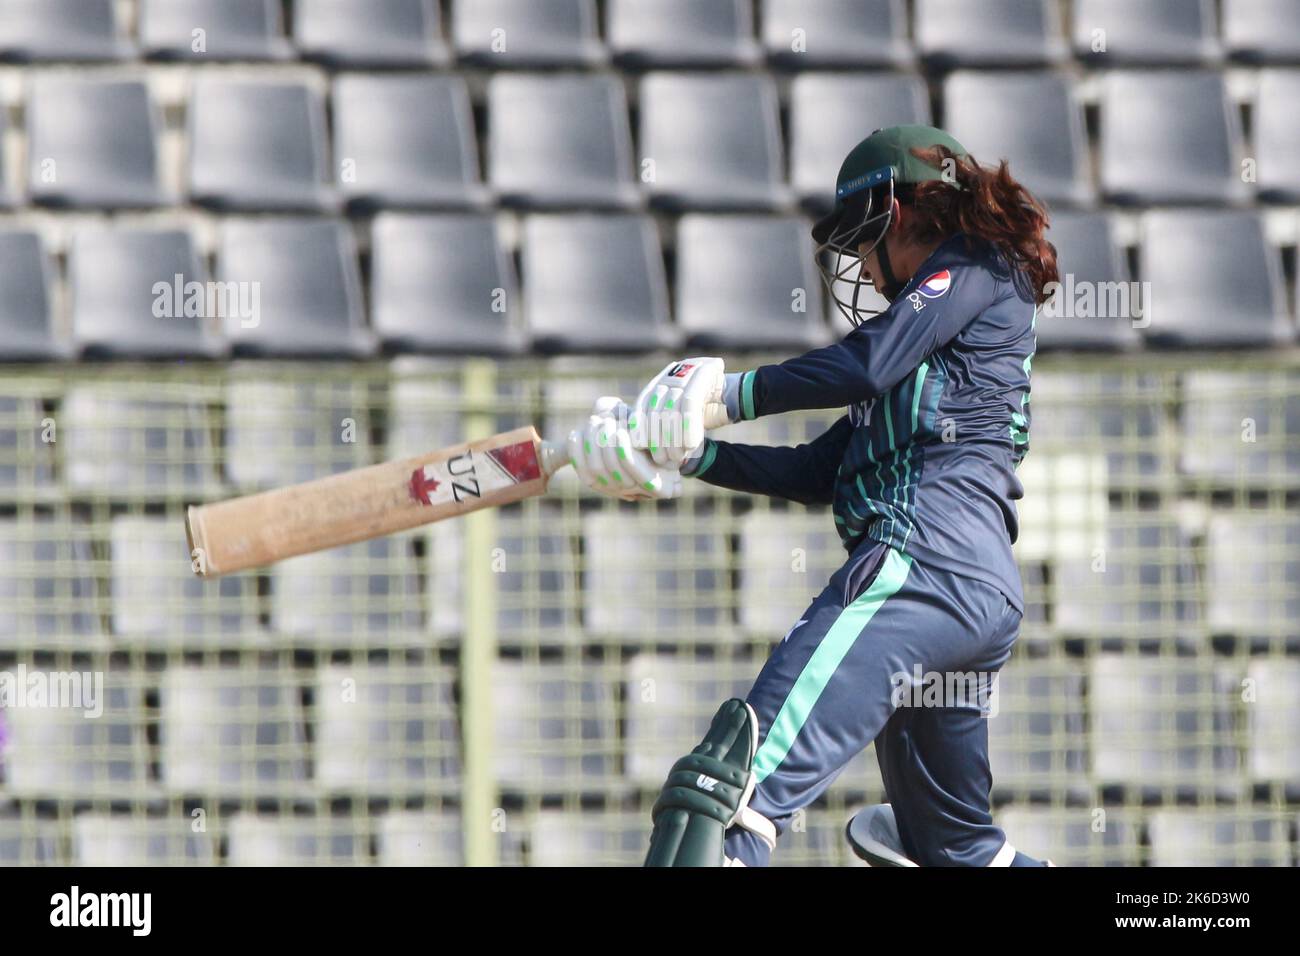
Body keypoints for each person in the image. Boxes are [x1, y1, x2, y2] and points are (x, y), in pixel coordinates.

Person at [567, 126, 1057, 867]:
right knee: (957, 853)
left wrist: (726, 394)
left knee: (725, 795)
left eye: (865, 241)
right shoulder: (926, 356)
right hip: (974, 599)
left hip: (920, 568)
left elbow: (865, 363)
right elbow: (817, 469)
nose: (862, 264)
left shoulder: (979, 266)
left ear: (900, 211)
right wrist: (691, 453)